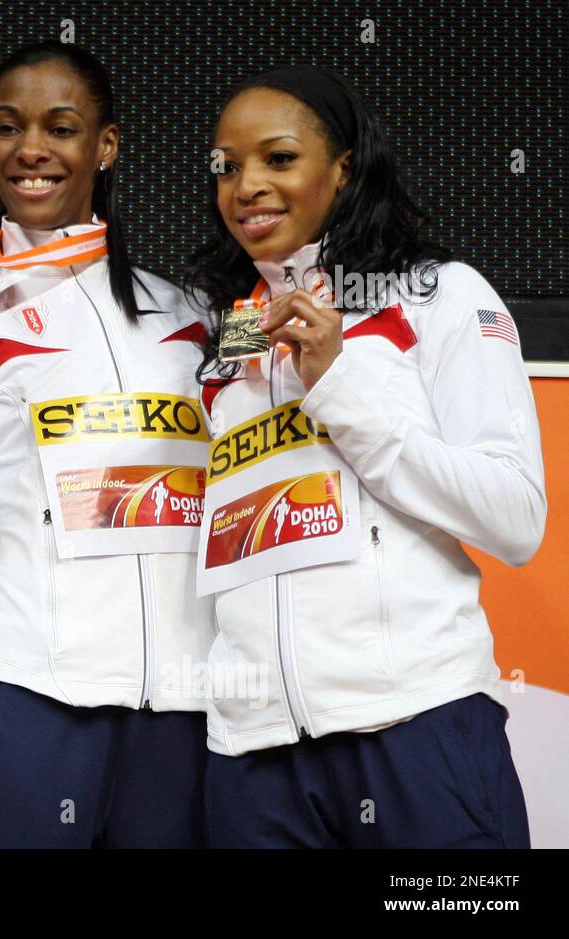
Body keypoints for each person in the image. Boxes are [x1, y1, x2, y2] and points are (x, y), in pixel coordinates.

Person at [186, 65, 544, 847]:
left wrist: (339, 387)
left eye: (279, 158)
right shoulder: (226, 335)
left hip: (415, 721)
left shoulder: (438, 293)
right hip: (252, 752)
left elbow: (517, 516)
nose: (247, 185)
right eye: (227, 165)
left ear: (344, 168)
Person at [0, 41, 214, 848]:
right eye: (9, 127)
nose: (30, 148)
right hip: (26, 693)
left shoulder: (188, 316)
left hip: (185, 710)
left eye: (60, 128)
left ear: (106, 145)